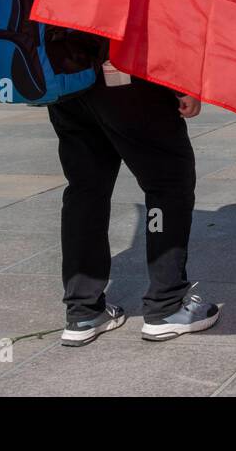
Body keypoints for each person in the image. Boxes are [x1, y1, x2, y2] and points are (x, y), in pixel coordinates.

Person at [47, 48, 220, 345]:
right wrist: (184, 84)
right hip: (124, 74)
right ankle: (166, 305)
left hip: (64, 76)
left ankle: (83, 311)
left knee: (85, 191)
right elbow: (155, 24)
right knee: (167, 183)